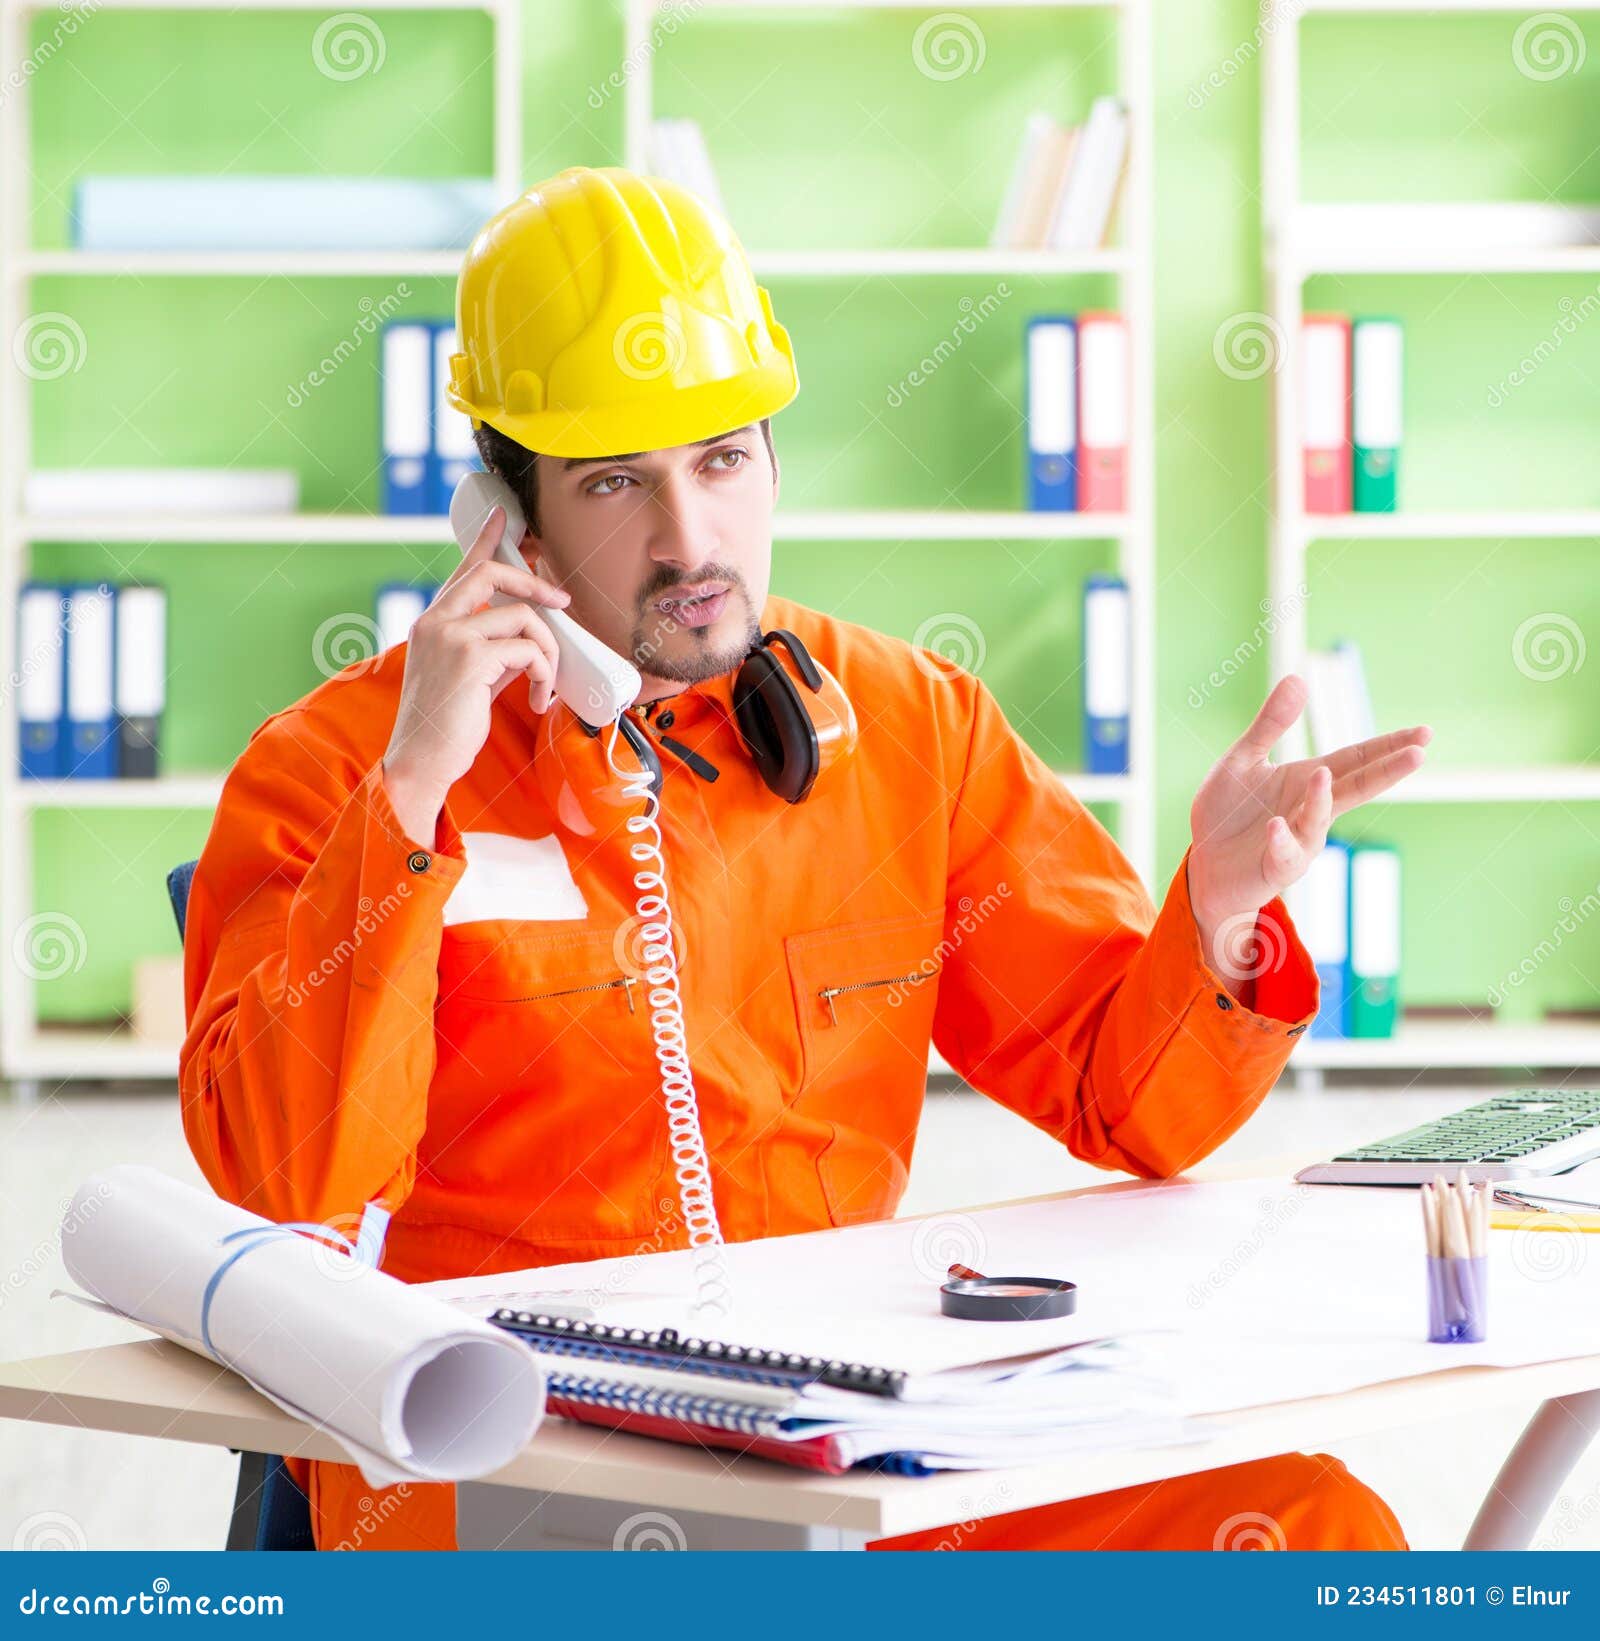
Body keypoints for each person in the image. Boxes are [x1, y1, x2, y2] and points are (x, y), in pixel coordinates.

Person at [179, 166, 1426, 1552]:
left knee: (1305, 1530)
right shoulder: (333, 771)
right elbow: (291, 1178)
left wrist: (1217, 926)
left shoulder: (904, 724)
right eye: (614, 482)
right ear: (504, 514)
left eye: (720, 459)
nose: (690, 540)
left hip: (839, 1437)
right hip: (507, 1474)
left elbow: (1128, 1103)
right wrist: (416, 790)